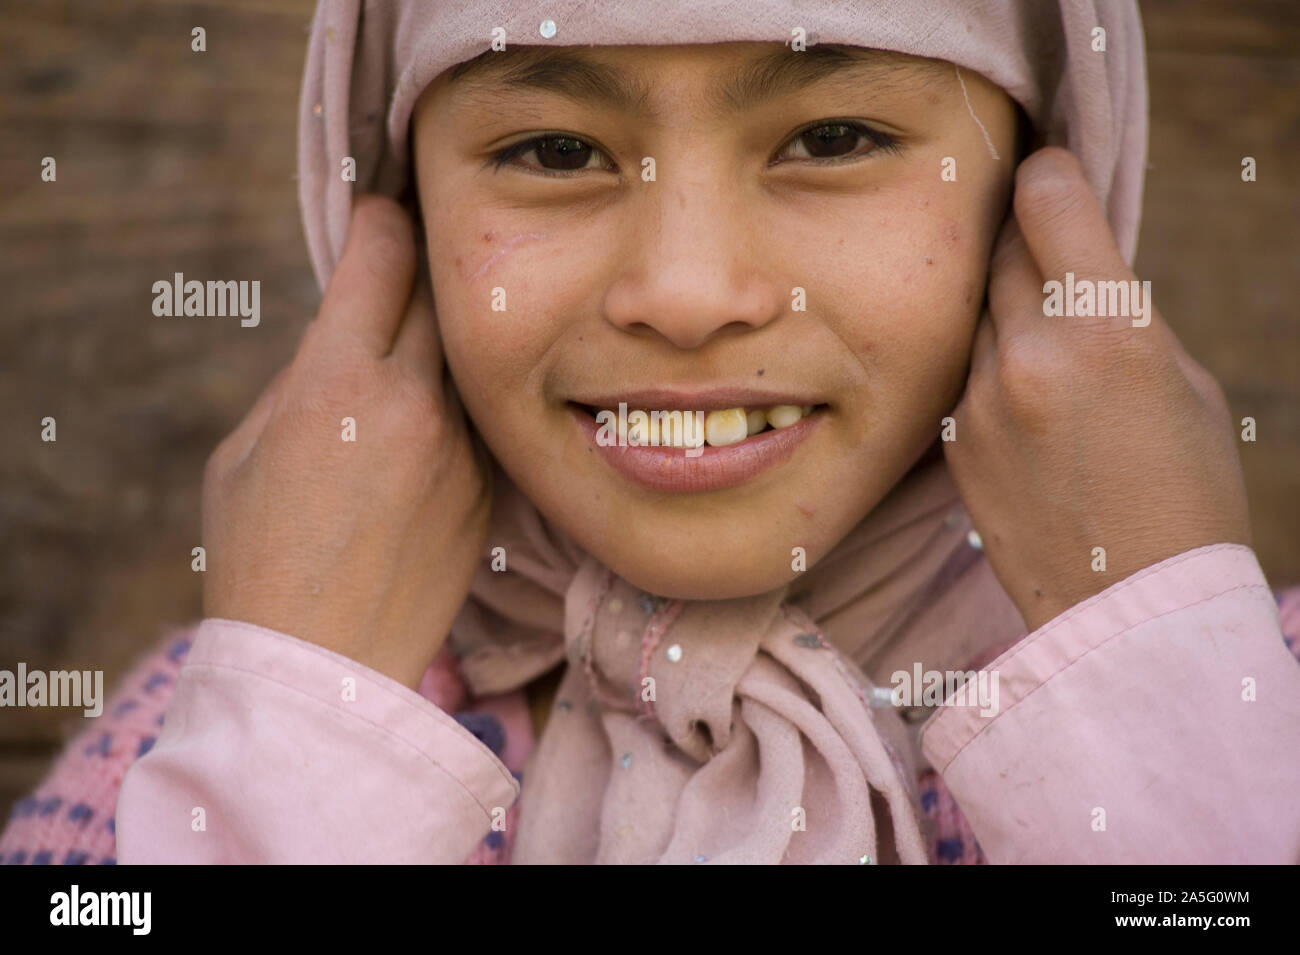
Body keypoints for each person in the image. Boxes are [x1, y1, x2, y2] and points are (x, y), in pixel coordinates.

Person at [3, 0, 1298, 865]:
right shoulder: (210, 746)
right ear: (387, 220)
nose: (684, 294)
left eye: (834, 136)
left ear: (1042, 189)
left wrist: (1155, 678)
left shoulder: (1253, 697)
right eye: (556, 149)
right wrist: (295, 742)